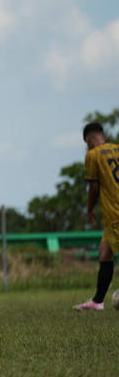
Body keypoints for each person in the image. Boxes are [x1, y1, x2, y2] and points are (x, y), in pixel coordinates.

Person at [74, 123, 119, 311]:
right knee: (105, 254)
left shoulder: (92, 155)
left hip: (116, 212)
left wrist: (89, 209)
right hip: (111, 218)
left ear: (88, 139)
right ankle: (98, 301)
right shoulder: (117, 148)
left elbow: (93, 187)